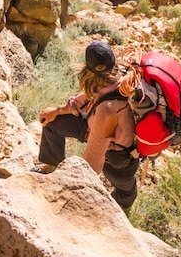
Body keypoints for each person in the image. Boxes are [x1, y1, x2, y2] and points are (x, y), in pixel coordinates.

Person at [35, 41, 140, 210]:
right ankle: (51, 164)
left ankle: (121, 210)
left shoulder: (108, 109)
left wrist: (72, 191)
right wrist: (57, 111)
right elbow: (84, 100)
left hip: (118, 155)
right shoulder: (117, 75)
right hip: (94, 128)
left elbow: (93, 162)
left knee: (125, 190)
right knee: (52, 123)